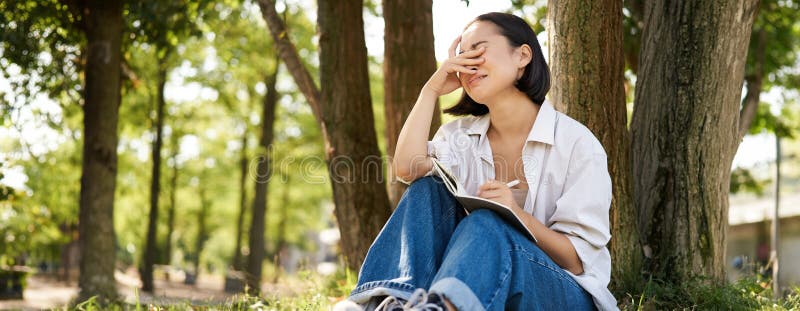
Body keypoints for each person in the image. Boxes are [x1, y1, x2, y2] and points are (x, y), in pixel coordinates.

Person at [335, 12, 617, 311]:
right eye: (461, 55)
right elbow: (407, 168)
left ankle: (443, 306)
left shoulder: (576, 143)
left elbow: (575, 261)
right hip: (486, 289)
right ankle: (384, 302)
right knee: (428, 188)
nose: (468, 63)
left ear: (522, 56)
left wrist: (514, 214)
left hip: (563, 294)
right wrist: (430, 90)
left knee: (486, 221)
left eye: (478, 50)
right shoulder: (460, 136)